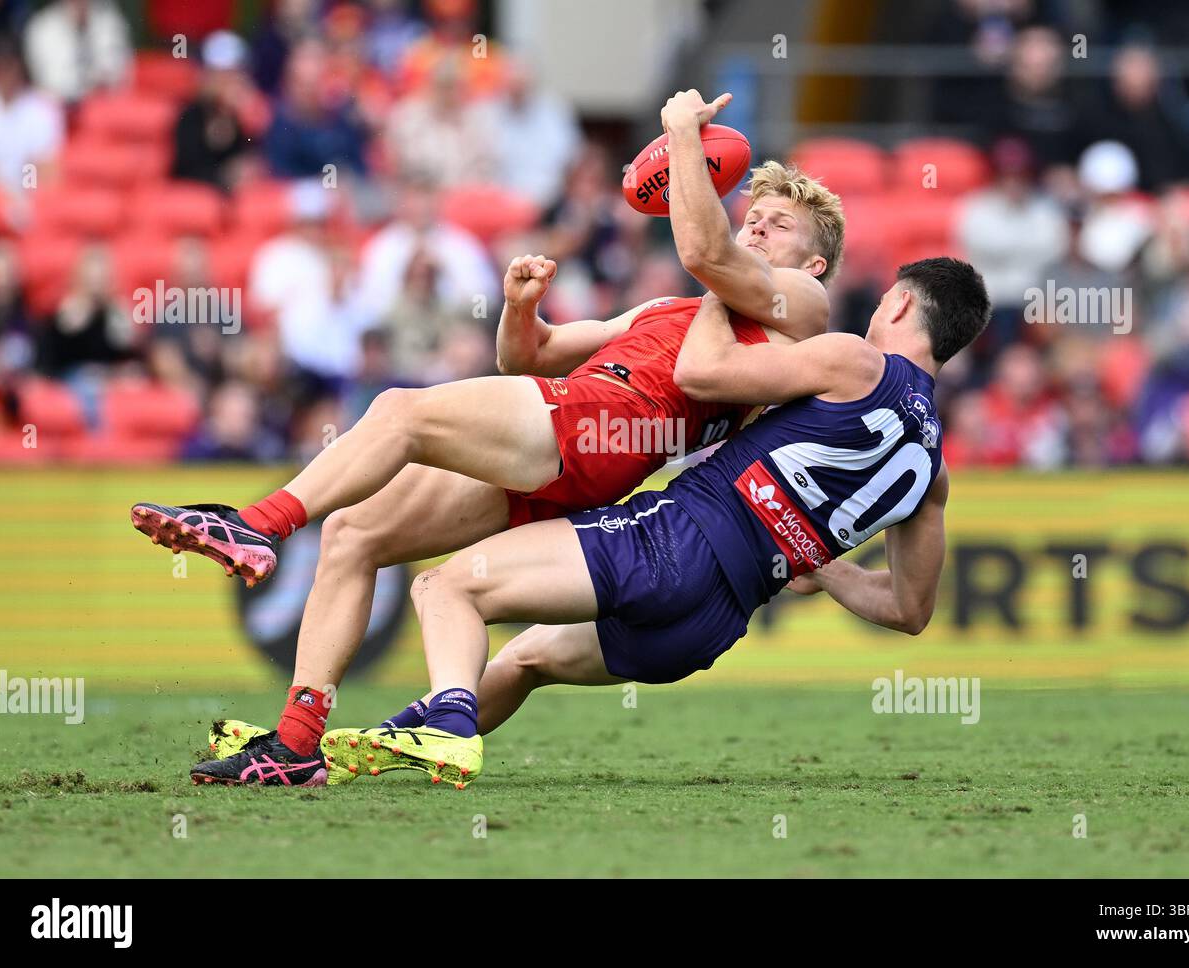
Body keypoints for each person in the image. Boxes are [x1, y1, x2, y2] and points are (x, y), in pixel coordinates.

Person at [134, 91, 843, 783]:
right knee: (354, 534)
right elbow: (527, 359)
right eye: (755, 217)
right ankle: (296, 742)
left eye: (778, 225)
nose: (756, 229)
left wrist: (682, 134)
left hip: (605, 425)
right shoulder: (681, 304)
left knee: (400, 412)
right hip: (578, 429)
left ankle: (258, 525)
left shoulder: (803, 305)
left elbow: (701, 245)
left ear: (813, 265)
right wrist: (518, 310)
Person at [193, 257, 992, 787]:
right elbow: (910, 611)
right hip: (717, 618)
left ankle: (433, 715)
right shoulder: (934, 473)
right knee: (523, 661)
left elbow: (703, 370)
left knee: (445, 590)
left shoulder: (855, 357)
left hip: (675, 541)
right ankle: (342, 748)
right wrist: (825, 566)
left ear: (897, 302)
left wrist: (717, 284)